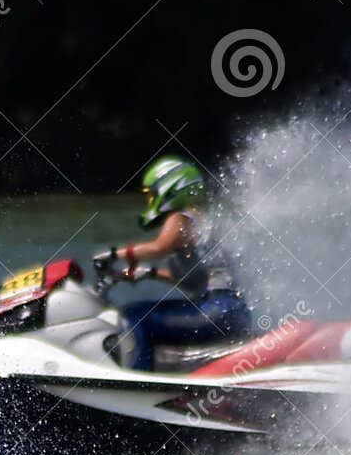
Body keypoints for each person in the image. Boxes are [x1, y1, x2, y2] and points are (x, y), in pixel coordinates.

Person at [92, 156, 251, 372]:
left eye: (150, 195)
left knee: (134, 316)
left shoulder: (181, 218)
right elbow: (194, 281)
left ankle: (138, 380)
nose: (148, 201)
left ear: (168, 188)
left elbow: (158, 248)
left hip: (216, 310)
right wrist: (149, 273)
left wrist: (113, 254)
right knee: (140, 314)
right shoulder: (198, 220)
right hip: (228, 310)